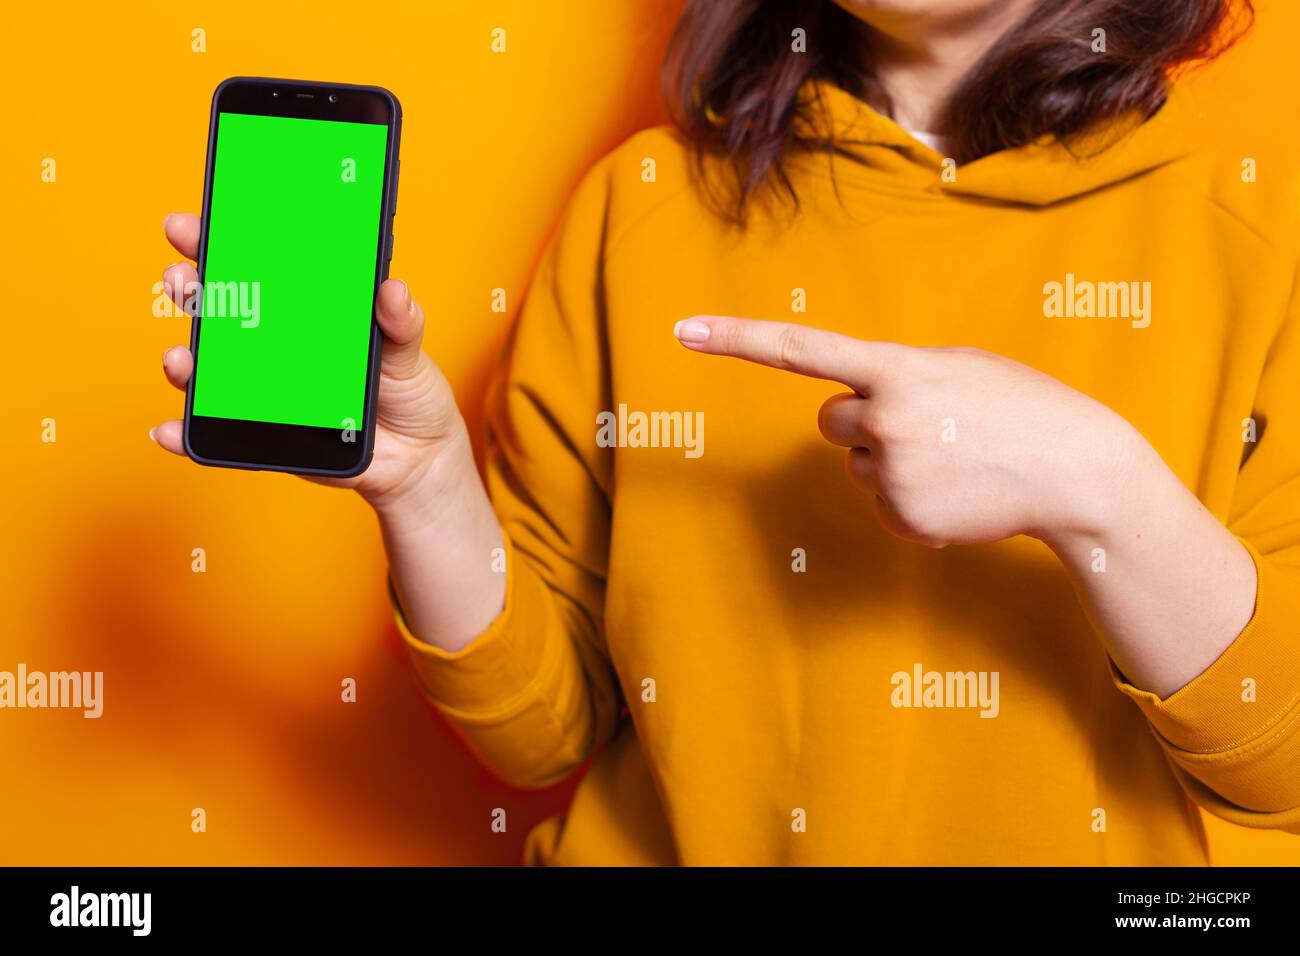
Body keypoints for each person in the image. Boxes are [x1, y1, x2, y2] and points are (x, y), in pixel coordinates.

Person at [153, 0, 1300, 864]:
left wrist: (1100, 487)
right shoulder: (638, 205)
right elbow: (542, 733)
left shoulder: (1247, 242)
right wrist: (427, 489)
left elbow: (1281, 767)